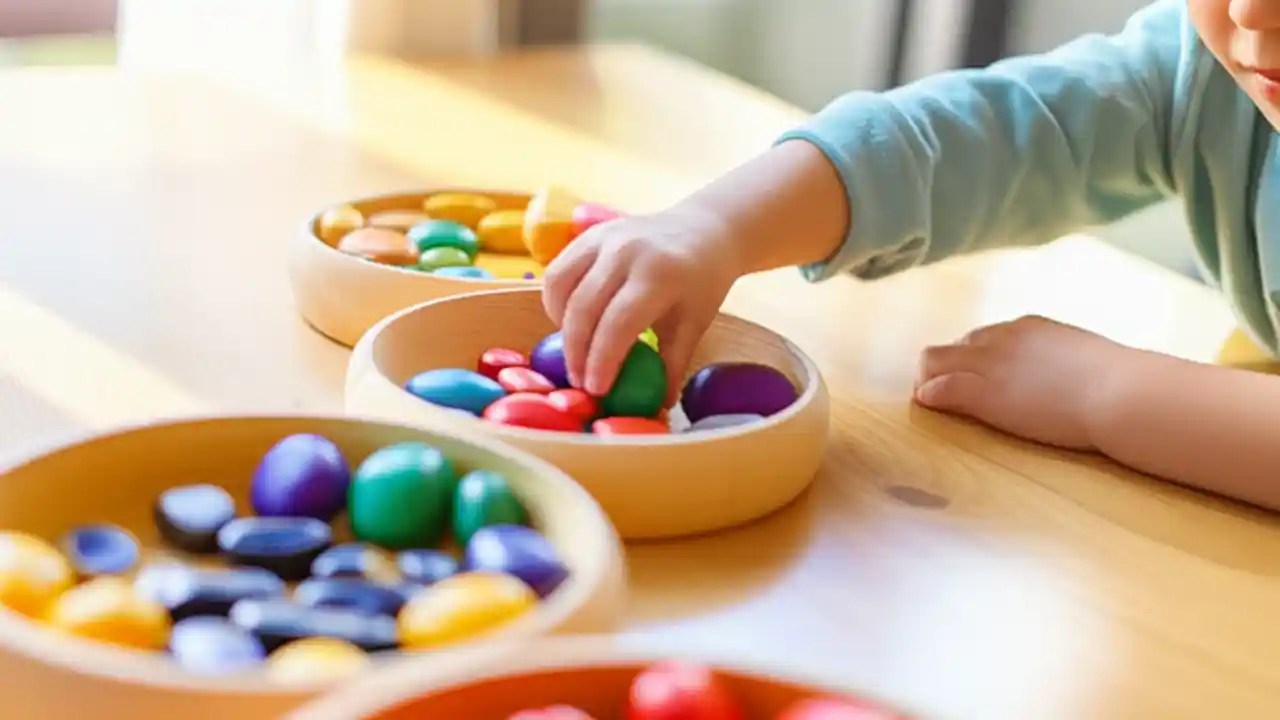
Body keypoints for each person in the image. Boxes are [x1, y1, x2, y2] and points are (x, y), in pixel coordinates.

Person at [540, 0, 1280, 510]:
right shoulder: (1202, 77)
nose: (1250, 14)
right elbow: (997, 133)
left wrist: (1111, 391)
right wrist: (718, 224)